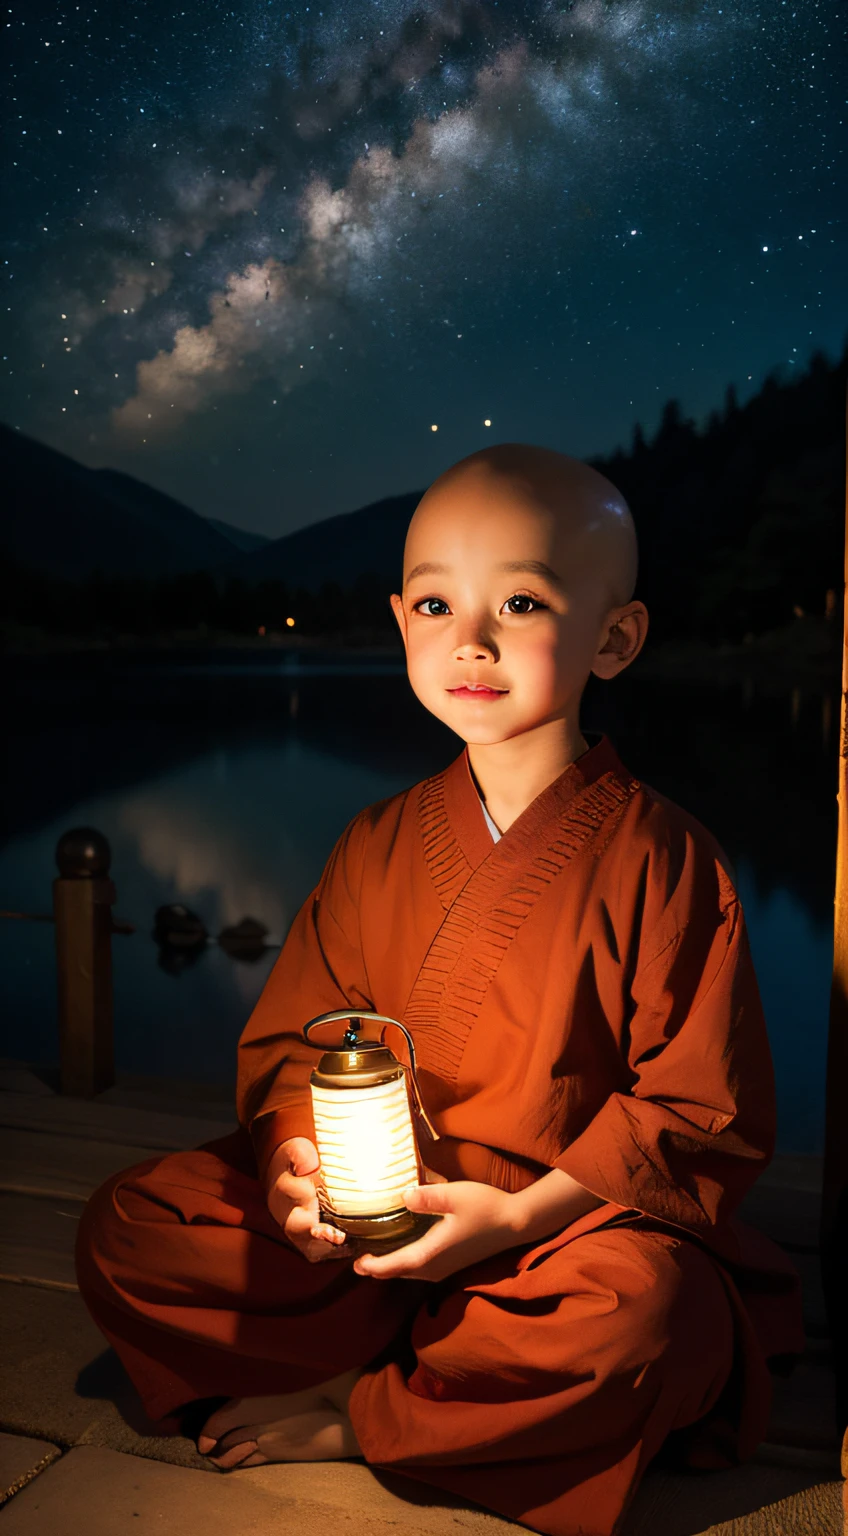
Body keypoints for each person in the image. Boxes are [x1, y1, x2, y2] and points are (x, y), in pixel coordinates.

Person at [76, 443, 803, 1536]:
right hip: (369, 1230)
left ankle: (364, 1406)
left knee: (641, 1319)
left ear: (615, 639)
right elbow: (292, 1047)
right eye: (434, 604)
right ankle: (440, 1374)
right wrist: (295, 1177)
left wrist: (516, 1217)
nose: (470, 639)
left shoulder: (663, 857)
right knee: (133, 1224)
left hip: (557, 1240)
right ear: (400, 621)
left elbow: (695, 1110)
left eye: (521, 602)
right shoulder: (376, 841)